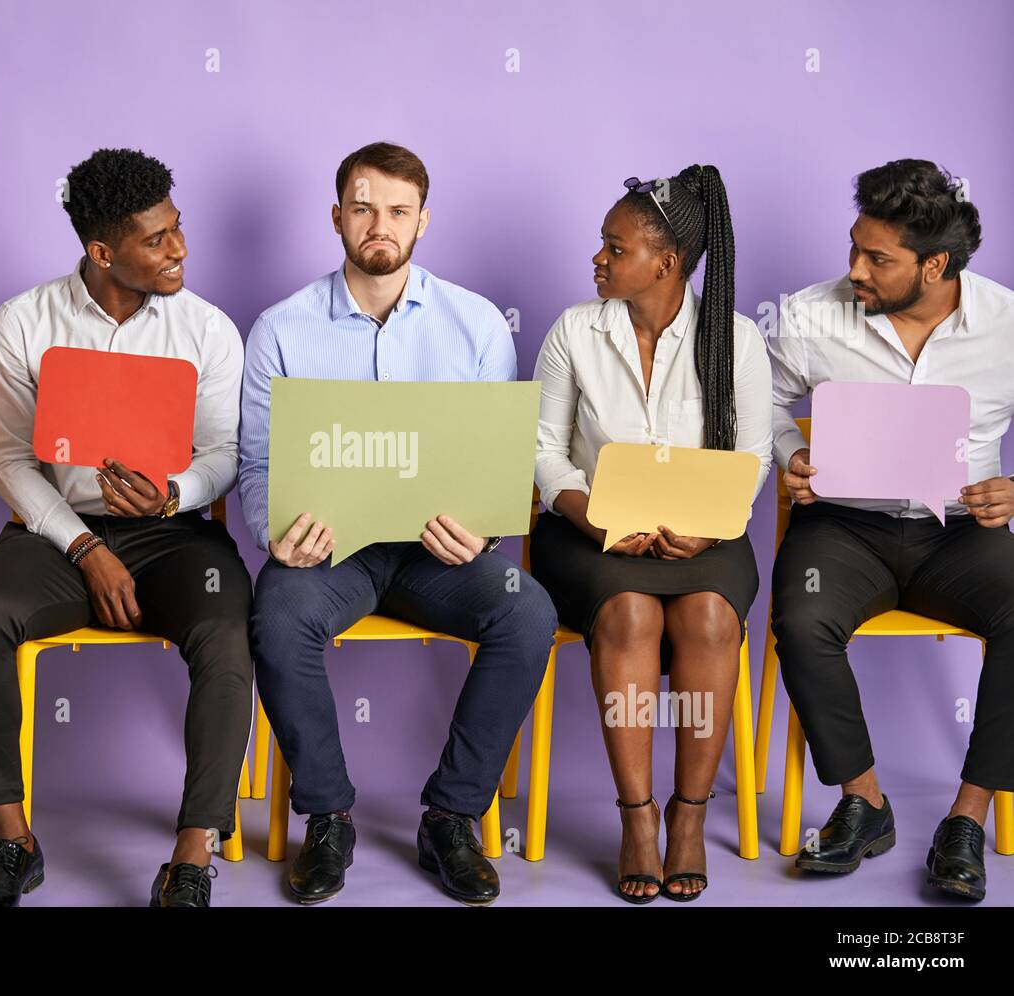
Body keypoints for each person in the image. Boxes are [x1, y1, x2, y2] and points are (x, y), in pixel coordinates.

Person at [240, 141, 558, 906]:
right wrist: (274, 533)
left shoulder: (476, 323)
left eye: (397, 211)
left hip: (436, 556)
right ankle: (327, 817)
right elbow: (257, 467)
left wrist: (482, 532)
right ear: (336, 217)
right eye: (362, 208)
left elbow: (495, 463)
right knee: (278, 613)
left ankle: (452, 816)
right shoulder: (280, 327)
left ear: (423, 221)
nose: (378, 225)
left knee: (528, 608)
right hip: (332, 554)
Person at [0, 149, 253, 908]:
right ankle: (12, 841)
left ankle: (192, 854)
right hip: (58, 533)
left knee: (225, 624)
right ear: (102, 251)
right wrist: (84, 548)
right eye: (157, 240)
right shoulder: (23, 323)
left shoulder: (208, 329)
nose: (180, 248)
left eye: (178, 229)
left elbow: (223, 454)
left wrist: (174, 493)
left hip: (175, 535)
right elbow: (8, 461)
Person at [769, 158, 1014, 902]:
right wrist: (792, 454)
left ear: (934, 265)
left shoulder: (1005, 323)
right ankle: (864, 801)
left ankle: (966, 816)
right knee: (800, 615)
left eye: (878, 259)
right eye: (854, 247)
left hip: (961, 533)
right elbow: (765, 406)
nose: (855, 271)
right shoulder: (812, 315)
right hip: (844, 529)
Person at [529, 165, 772, 902]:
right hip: (588, 533)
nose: (598, 259)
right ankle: (637, 818)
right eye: (602, 246)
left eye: (614, 247)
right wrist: (596, 516)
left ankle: (688, 815)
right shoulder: (575, 329)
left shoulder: (734, 339)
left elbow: (753, 456)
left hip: (706, 538)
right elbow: (542, 449)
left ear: (664, 263)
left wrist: (704, 530)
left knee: (704, 616)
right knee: (632, 613)